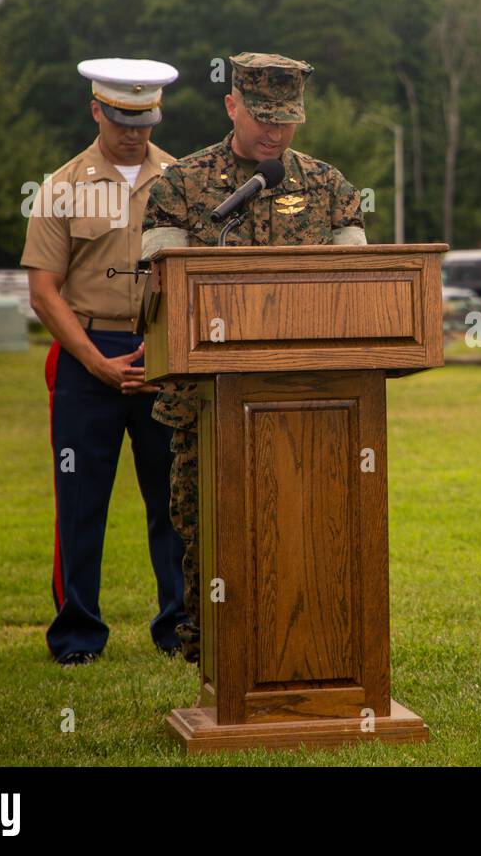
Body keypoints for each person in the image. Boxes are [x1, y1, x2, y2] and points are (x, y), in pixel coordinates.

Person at [141, 52, 367, 662]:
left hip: (311, 399)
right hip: (207, 399)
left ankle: (313, 635)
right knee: (206, 524)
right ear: (231, 105)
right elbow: (156, 293)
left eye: (287, 120)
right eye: (262, 117)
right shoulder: (179, 185)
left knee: (307, 523)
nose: (274, 131)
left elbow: (358, 285)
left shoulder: (329, 187)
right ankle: (211, 648)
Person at [21, 57, 187, 665]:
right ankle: (78, 635)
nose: (133, 132)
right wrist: (95, 362)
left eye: (144, 120)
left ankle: (179, 628)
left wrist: (167, 349)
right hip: (84, 354)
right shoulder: (61, 186)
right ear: (96, 110)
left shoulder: (180, 180)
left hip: (161, 351)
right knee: (80, 500)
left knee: (173, 498)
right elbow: (44, 291)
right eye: (121, 118)